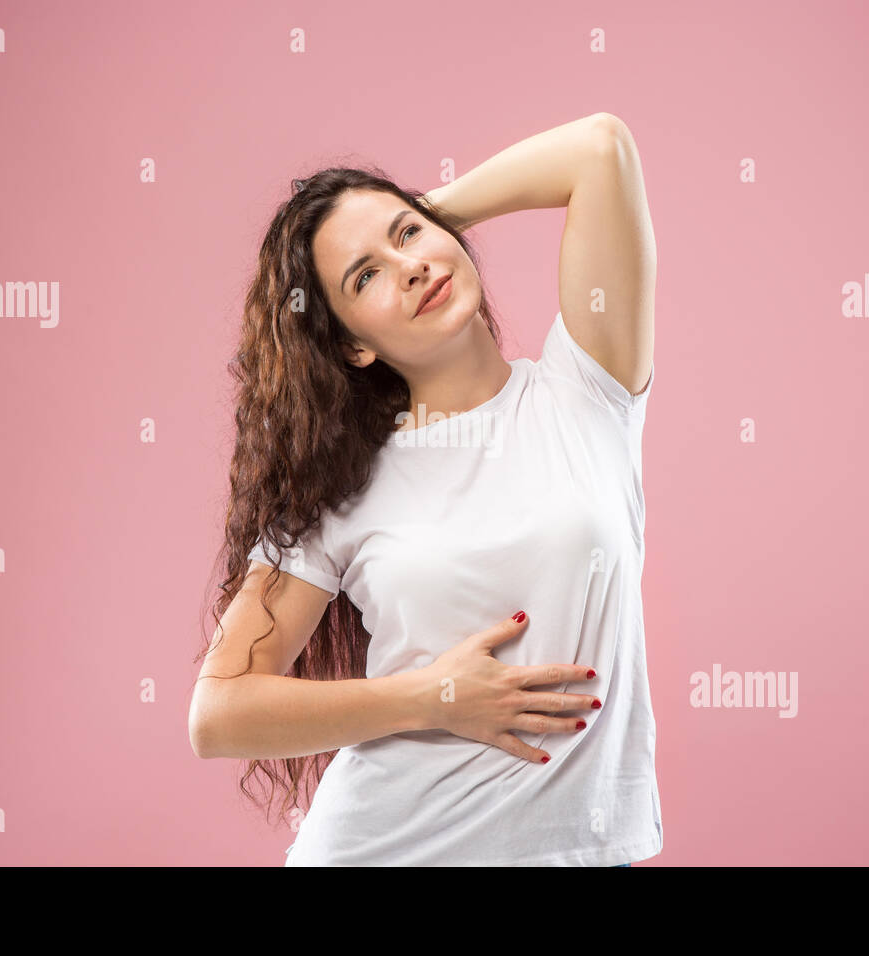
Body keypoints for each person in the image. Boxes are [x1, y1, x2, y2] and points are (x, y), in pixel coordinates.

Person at [188, 112, 660, 866]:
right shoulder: (341, 487)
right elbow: (219, 711)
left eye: (407, 236)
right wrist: (435, 695)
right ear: (353, 344)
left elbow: (599, 149)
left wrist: (429, 215)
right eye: (364, 276)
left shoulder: (587, 393)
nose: (407, 267)